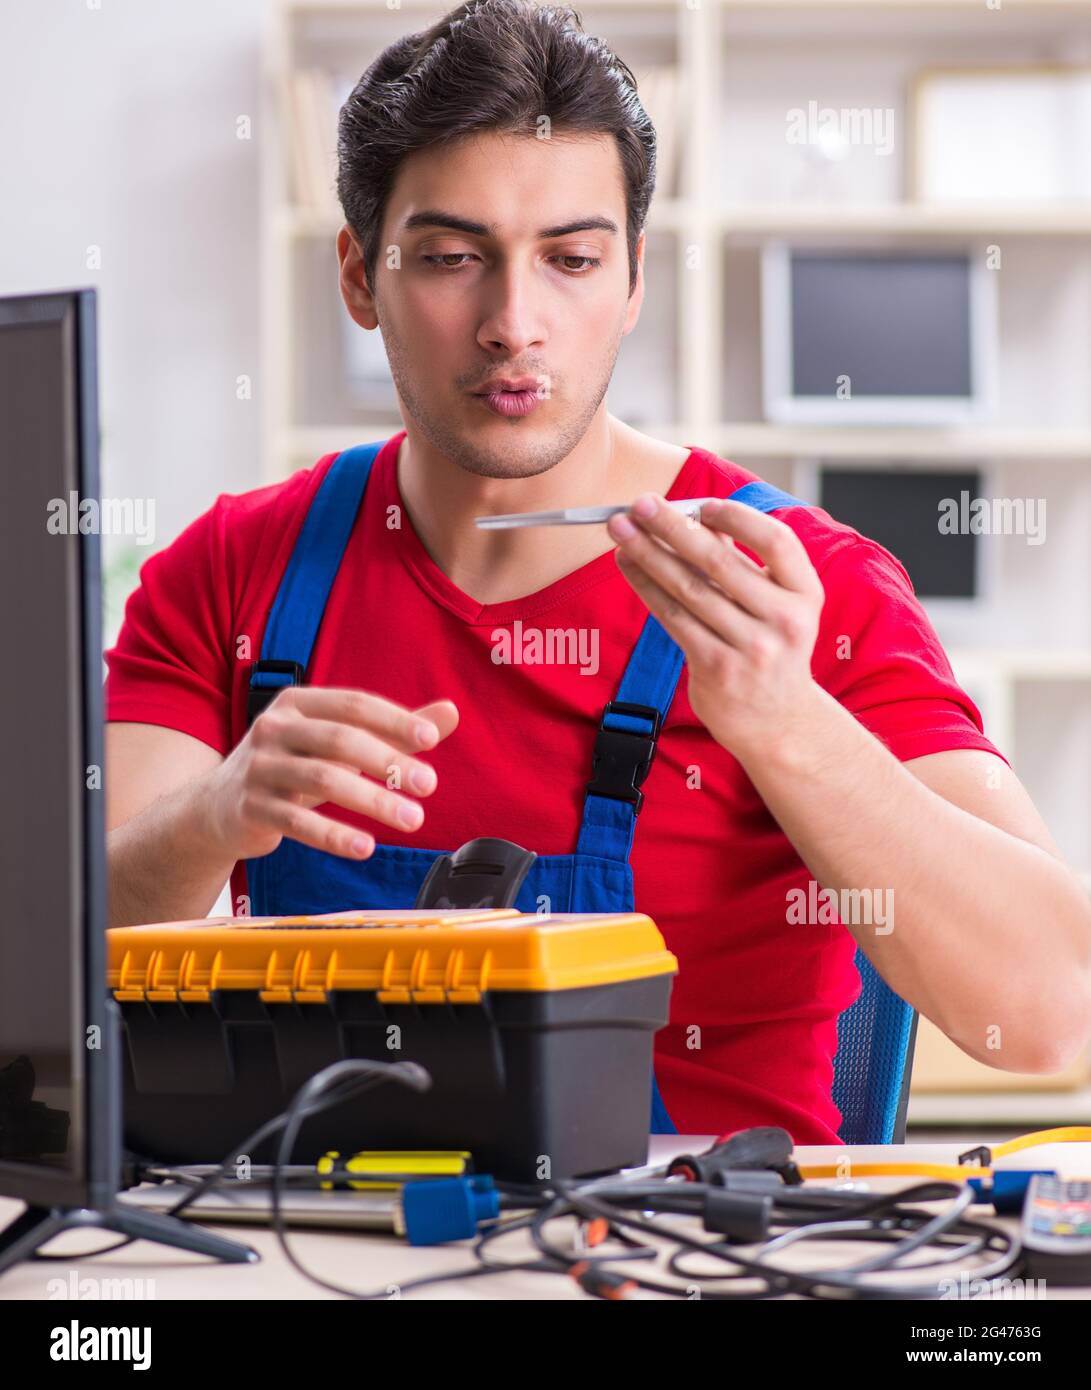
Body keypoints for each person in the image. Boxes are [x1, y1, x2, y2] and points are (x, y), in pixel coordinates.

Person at [104, 0, 1091, 1142]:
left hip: (699, 1256)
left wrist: (785, 719)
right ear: (359, 277)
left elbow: (1048, 1014)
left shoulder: (800, 589)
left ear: (631, 283)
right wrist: (215, 817)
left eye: (570, 259)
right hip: (319, 1242)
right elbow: (71, 969)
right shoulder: (236, 574)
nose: (512, 322)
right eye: (450, 257)